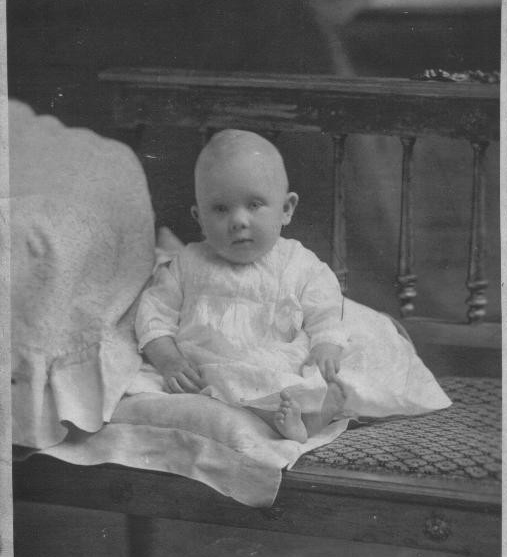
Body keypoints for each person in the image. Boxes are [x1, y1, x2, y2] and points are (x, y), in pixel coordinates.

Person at [135, 128, 451, 443]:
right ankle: (294, 421)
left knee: (324, 369)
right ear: (199, 217)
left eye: (254, 205)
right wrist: (170, 361)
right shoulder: (186, 265)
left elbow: (326, 309)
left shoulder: (297, 262)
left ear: (286, 209)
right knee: (224, 385)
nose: (239, 220)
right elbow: (153, 317)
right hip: (216, 362)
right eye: (220, 209)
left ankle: (313, 412)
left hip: (282, 356)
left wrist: (325, 346)